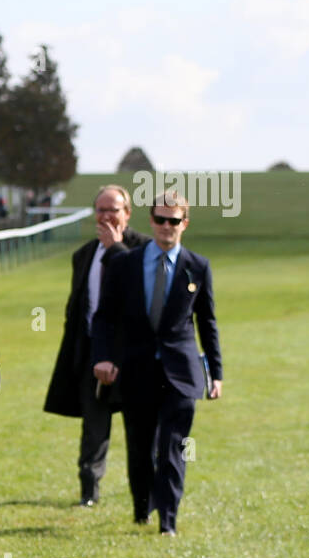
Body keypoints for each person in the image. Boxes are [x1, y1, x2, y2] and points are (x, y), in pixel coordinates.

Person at [92, 191, 223, 536]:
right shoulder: (125, 263)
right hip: (135, 370)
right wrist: (104, 357)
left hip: (181, 372)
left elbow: (207, 323)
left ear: (185, 224)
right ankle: (141, 509)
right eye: (161, 220)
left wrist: (216, 374)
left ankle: (168, 520)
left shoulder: (199, 266)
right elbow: (104, 317)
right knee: (140, 447)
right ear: (151, 221)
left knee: (174, 449)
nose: (167, 227)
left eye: (174, 221)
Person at [43, 185, 149, 506]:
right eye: (101, 209)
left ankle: (144, 497)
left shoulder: (144, 249)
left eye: (113, 210)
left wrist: (116, 248)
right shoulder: (84, 255)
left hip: (135, 355)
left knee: (141, 427)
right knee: (94, 427)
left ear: (127, 214)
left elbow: (141, 292)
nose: (106, 216)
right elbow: (77, 307)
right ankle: (89, 491)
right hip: (93, 353)